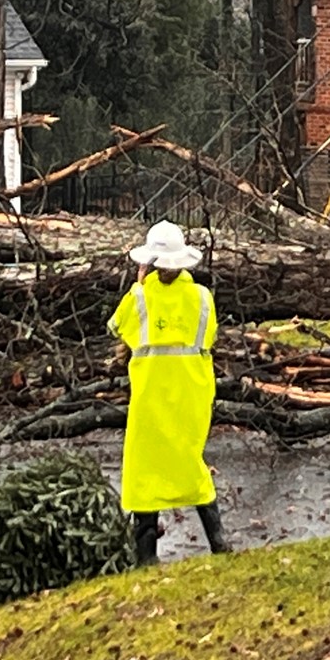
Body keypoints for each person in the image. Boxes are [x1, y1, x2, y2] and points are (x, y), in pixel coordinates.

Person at [107, 220, 230, 564]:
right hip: (192, 394)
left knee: (144, 472)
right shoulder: (203, 298)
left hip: (150, 397)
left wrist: (137, 285)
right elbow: (210, 338)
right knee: (192, 465)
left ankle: (146, 557)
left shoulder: (141, 297)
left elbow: (116, 326)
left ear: (150, 263)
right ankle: (219, 543)